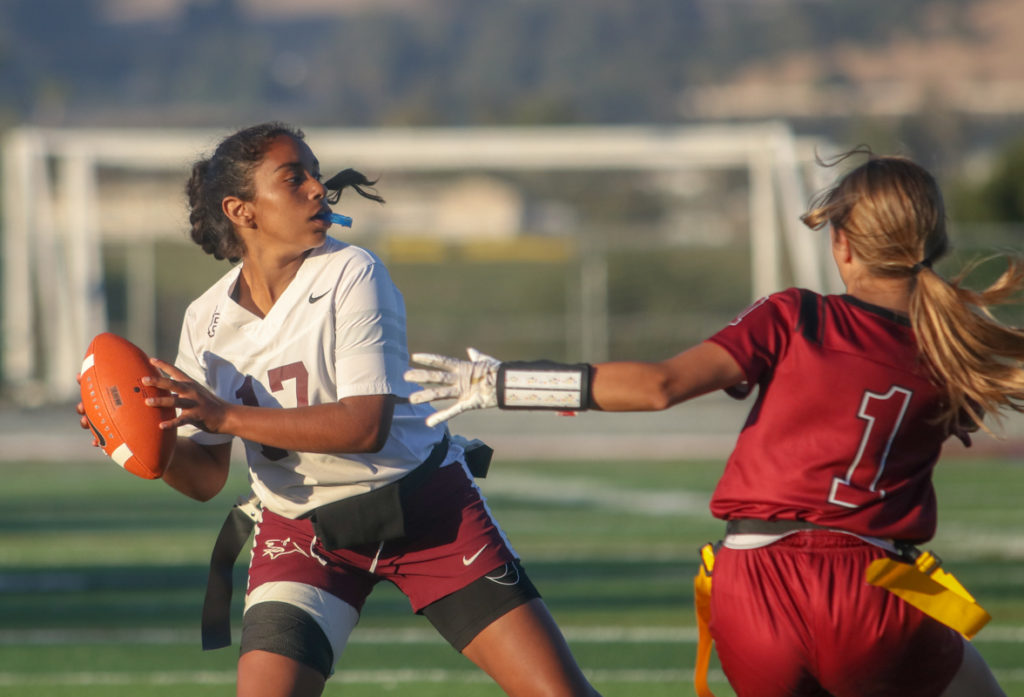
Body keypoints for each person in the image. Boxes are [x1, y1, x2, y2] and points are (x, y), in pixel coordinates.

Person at [404, 150, 1023, 697]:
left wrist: (501, 382)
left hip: (751, 583)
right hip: (871, 587)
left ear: (842, 243)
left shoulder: (798, 314)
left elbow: (659, 386)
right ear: (933, 241)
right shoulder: (956, 350)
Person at [78, 122, 602, 697]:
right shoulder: (205, 321)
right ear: (241, 209)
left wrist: (223, 415)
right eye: (293, 177)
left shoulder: (352, 271)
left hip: (425, 513)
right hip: (303, 531)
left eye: (316, 174)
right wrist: (128, 438)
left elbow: (365, 425)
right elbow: (203, 477)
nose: (317, 189)